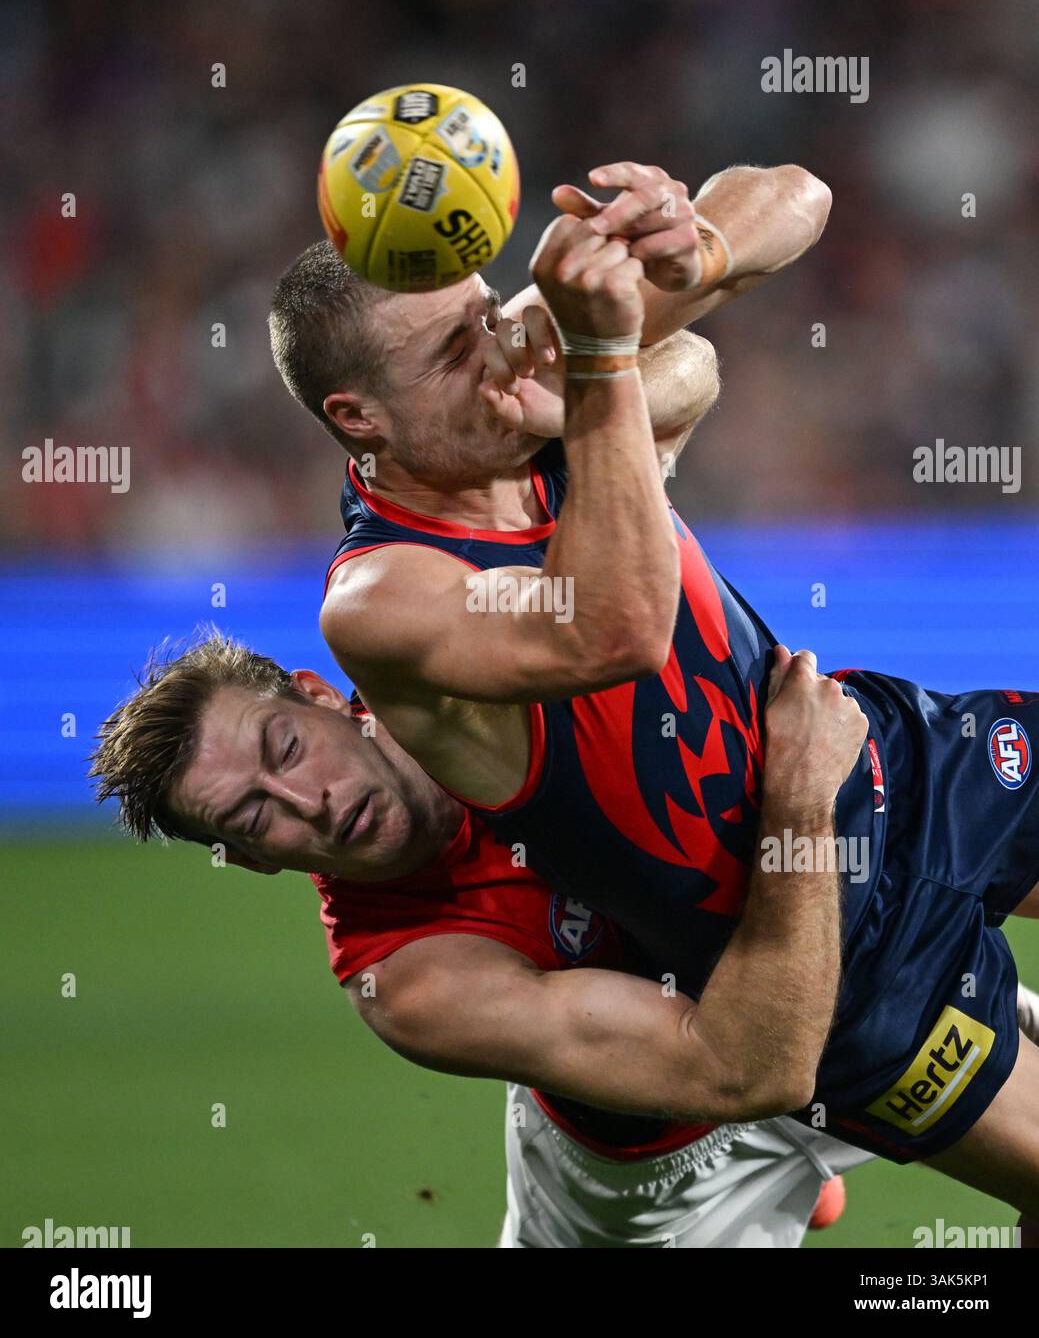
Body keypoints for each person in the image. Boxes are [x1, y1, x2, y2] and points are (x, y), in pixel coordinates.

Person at [267, 155, 1039, 1219]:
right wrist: (604, 362)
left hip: (889, 756)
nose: (496, 348)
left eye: (488, 311)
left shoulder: (517, 368)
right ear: (360, 419)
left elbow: (799, 197)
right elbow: (618, 628)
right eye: (453, 350)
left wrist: (694, 245)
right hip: (829, 943)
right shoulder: (381, 594)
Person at [91, 627, 876, 1247]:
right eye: (255, 817)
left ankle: (833, 1132)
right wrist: (799, 804)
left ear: (321, 693)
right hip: (657, 1177)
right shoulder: (406, 985)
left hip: (807, 977)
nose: (311, 802)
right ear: (254, 861)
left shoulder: (459, 676)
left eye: (286, 748)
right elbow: (747, 1071)